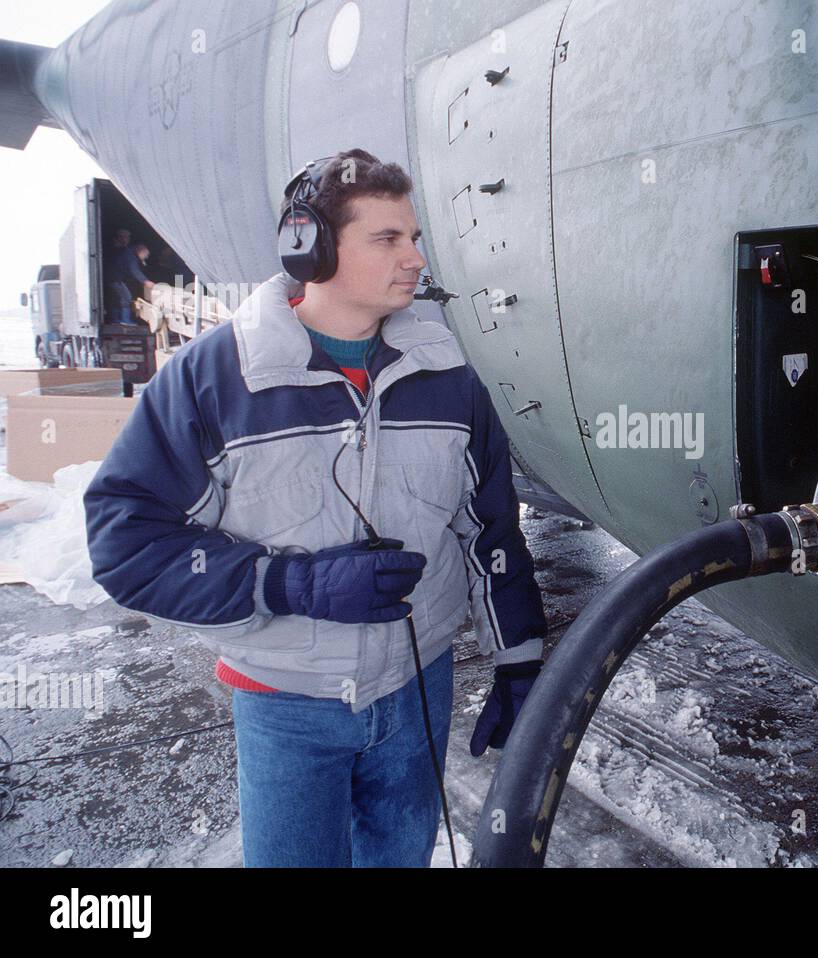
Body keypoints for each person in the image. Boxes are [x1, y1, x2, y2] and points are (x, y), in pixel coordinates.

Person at [83, 148, 548, 867]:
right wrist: (288, 584)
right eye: (388, 239)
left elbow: (490, 528)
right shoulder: (213, 379)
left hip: (417, 690)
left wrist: (520, 662)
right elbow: (125, 541)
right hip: (285, 704)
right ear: (311, 248)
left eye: (415, 238)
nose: (416, 258)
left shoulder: (447, 376)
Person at [103, 232, 153, 325]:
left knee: (117, 298)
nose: (146, 257)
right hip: (115, 278)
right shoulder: (131, 257)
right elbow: (134, 270)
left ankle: (115, 320)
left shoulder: (128, 252)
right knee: (127, 297)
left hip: (113, 277)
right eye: (146, 255)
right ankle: (125, 320)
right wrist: (145, 281)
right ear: (141, 252)